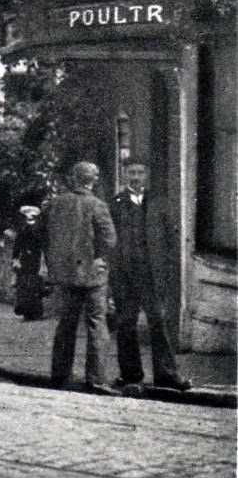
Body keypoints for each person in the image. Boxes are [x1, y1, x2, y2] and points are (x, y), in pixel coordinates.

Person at [110, 163, 191, 392]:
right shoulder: (115, 204)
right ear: (125, 174)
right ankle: (130, 376)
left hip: (151, 276)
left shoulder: (159, 203)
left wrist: (166, 272)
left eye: (140, 173)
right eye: (131, 173)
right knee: (126, 324)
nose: (136, 177)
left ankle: (167, 375)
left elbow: (170, 240)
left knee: (158, 322)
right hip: (125, 276)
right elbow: (108, 240)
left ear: (147, 175)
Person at [40, 161, 118, 394]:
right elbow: (110, 240)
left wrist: (55, 262)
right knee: (96, 323)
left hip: (65, 275)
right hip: (93, 276)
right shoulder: (98, 205)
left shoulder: (55, 204)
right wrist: (101, 259)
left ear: (74, 178)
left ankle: (60, 376)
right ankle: (96, 379)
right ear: (93, 180)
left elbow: (42, 234)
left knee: (66, 324)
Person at [12, 205, 46, 321]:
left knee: (31, 286)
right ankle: (30, 312)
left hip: (32, 260)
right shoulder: (28, 230)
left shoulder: (29, 230)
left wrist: (15, 259)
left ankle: (31, 312)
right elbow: (17, 246)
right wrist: (15, 259)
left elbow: (17, 247)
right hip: (28, 261)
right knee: (29, 286)